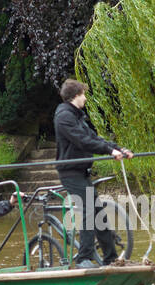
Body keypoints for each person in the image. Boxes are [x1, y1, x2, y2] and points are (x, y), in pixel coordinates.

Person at [53, 79, 133, 268]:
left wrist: (118, 149)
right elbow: (82, 141)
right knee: (88, 211)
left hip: (82, 171)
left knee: (99, 214)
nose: (85, 98)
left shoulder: (77, 116)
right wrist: (108, 151)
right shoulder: (64, 116)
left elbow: (93, 137)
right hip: (70, 172)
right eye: (83, 94)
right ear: (75, 96)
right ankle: (83, 259)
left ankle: (111, 258)